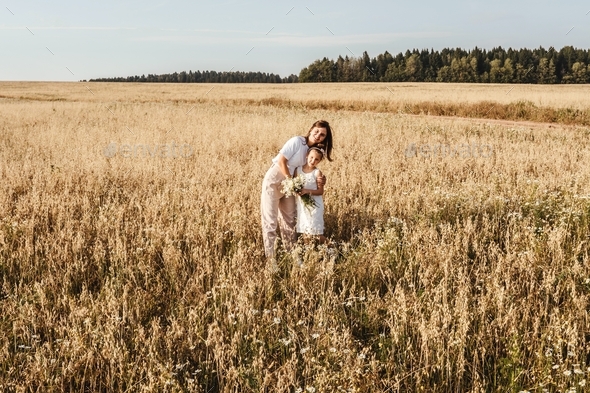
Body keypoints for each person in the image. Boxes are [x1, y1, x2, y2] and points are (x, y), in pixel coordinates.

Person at [260, 120, 333, 269]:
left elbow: (309, 168)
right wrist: (290, 181)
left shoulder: (313, 151)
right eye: (317, 131)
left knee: (289, 221)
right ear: (311, 129)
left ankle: (293, 257)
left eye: (323, 134)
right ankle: (271, 260)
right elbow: (281, 160)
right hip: (275, 180)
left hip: (291, 184)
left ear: (325, 138)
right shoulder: (297, 141)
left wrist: (321, 178)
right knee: (270, 221)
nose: (318, 135)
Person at [294, 146, 328, 244]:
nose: (313, 161)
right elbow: (296, 186)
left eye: (316, 159)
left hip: (314, 205)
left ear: (319, 161)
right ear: (307, 156)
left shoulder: (317, 173)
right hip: (302, 205)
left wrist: (307, 191)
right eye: (311, 157)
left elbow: (320, 191)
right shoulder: (298, 170)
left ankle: (332, 248)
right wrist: (297, 191)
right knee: (305, 231)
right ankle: (309, 253)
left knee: (316, 233)